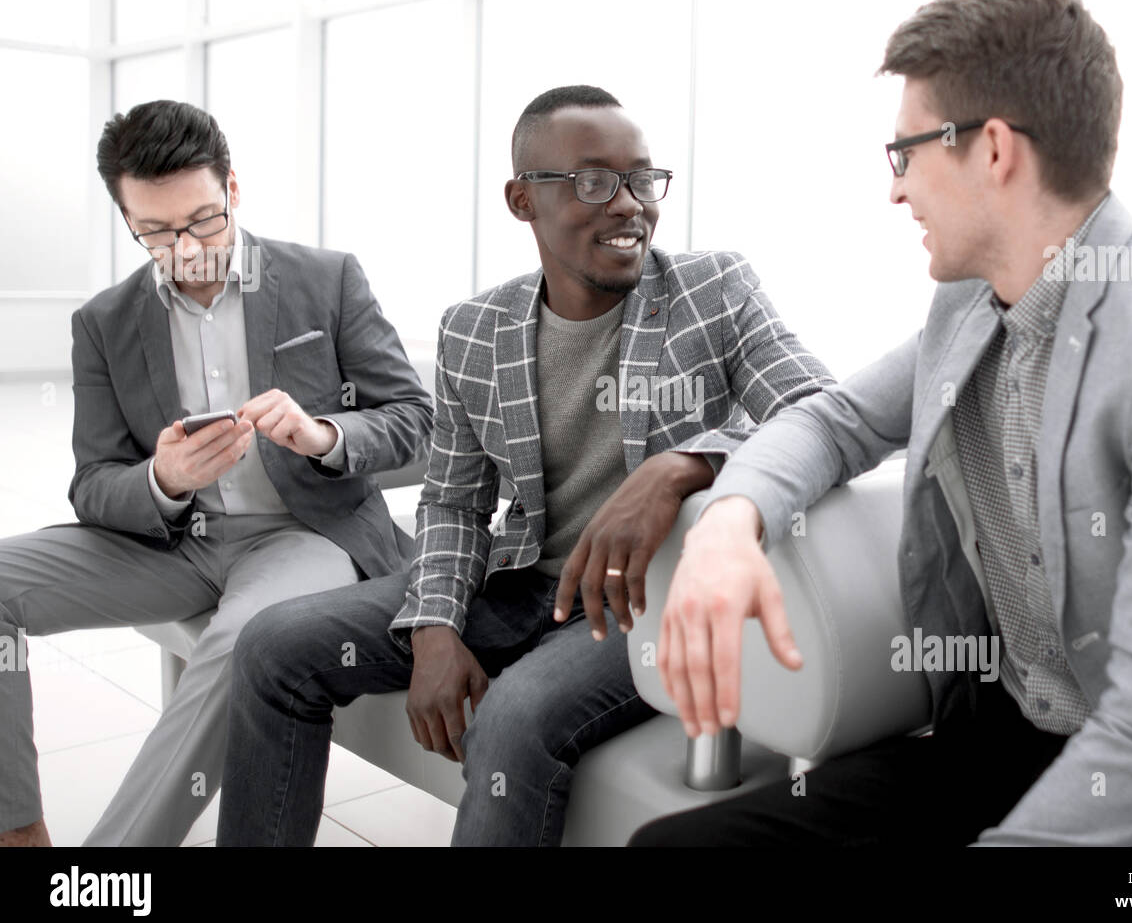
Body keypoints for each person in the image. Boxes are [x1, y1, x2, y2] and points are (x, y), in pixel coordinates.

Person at [631, 0, 1132, 846]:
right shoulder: (972, 307)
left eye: (903, 153)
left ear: (992, 151)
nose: (895, 191)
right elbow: (834, 422)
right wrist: (729, 523)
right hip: (1010, 740)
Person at [216, 84, 834, 846]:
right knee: (273, 647)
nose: (629, 204)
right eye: (593, 181)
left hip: (643, 602)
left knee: (511, 718)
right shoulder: (475, 330)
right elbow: (452, 504)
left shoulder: (714, 290)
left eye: (643, 179)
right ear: (521, 201)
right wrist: (435, 628)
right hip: (518, 589)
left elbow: (819, 410)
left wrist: (686, 464)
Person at [0, 99, 434, 847]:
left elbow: (415, 421)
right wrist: (161, 480)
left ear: (233, 188)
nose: (188, 247)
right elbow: (93, 481)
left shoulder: (324, 281)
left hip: (304, 534)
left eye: (203, 219)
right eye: (157, 232)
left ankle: (103, 874)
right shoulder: (103, 323)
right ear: (126, 220)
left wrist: (323, 433)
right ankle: (18, 831)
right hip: (172, 542)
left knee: (244, 640)